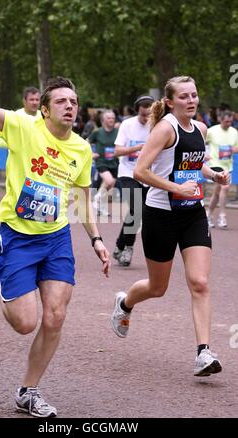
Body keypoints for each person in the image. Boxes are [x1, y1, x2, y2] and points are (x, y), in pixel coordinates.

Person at [0, 20, 110, 418]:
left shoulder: (82, 148)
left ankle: (28, 391)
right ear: (44, 109)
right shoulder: (21, 127)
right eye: (61, 101)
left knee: (56, 315)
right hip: (18, 236)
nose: (70, 106)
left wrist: (97, 240)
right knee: (26, 322)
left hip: (56, 237)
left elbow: (81, 197)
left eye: (74, 101)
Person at [111, 76, 230, 377]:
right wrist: (175, 189)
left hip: (193, 213)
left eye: (194, 95)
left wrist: (213, 174)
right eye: (184, 96)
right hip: (160, 215)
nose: (191, 101)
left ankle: (203, 353)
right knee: (157, 287)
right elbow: (140, 171)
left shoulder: (200, 128)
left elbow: (194, 163)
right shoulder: (165, 129)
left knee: (199, 282)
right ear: (170, 102)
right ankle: (125, 303)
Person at [113, 96, 154, 266]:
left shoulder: (157, 126)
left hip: (147, 175)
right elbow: (117, 151)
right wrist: (138, 148)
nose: (146, 119)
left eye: (149, 115)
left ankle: (120, 245)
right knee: (137, 209)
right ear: (137, 111)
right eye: (144, 115)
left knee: (140, 212)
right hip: (128, 173)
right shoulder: (127, 125)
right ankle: (128, 248)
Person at [206, 110, 238, 229]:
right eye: (226, 121)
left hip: (227, 165)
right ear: (220, 119)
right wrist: (204, 154)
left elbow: (237, 146)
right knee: (225, 187)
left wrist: (235, 149)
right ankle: (222, 215)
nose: (228, 124)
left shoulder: (234, 132)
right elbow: (199, 141)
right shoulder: (212, 131)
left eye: (230, 122)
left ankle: (208, 214)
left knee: (217, 192)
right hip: (215, 164)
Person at [88, 109, 119, 216]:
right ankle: (96, 200)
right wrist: (92, 153)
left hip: (114, 162)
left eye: (113, 118)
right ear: (103, 120)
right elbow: (86, 142)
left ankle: (100, 205)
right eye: (108, 118)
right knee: (109, 181)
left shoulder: (117, 132)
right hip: (101, 161)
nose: (111, 120)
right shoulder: (98, 132)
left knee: (108, 186)